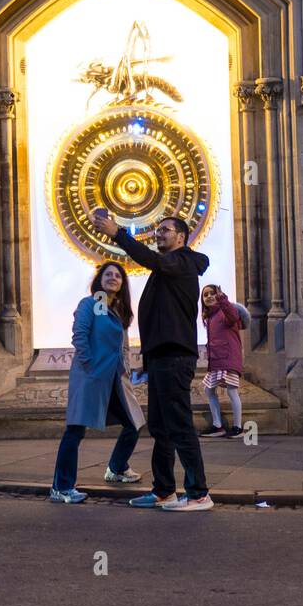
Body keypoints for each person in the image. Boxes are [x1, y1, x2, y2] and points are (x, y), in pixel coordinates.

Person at [94, 210, 213, 511]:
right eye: (158, 230)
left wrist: (117, 233)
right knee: (161, 427)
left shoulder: (182, 262)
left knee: (180, 425)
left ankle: (199, 493)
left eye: (166, 230)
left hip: (174, 357)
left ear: (182, 237)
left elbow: (152, 259)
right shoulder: (167, 269)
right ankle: (164, 491)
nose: (159, 233)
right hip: (160, 358)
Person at [50, 260, 145, 503]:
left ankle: (116, 467)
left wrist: (126, 369)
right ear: (99, 280)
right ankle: (61, 487)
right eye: (108, 274)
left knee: (134, 423)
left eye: (117, 275)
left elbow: (122, 345)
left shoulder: (119, 311)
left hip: (114, 379)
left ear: (123, 283)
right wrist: (90, 365)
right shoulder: (91, 304)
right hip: (90, 377)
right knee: (75, 429)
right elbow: (79, 336)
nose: (113, 277)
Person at [199, 284, 248, 438]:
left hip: (228, 360)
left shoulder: (225, 312)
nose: (209, 297)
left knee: (231, 390)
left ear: (219, 294)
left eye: (212, 293)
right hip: (217, 361)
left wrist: (222, 299)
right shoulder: (211, 316)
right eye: (205, 295)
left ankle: (237, 427)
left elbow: (233, 316)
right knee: (208, 390)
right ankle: (217, 426)